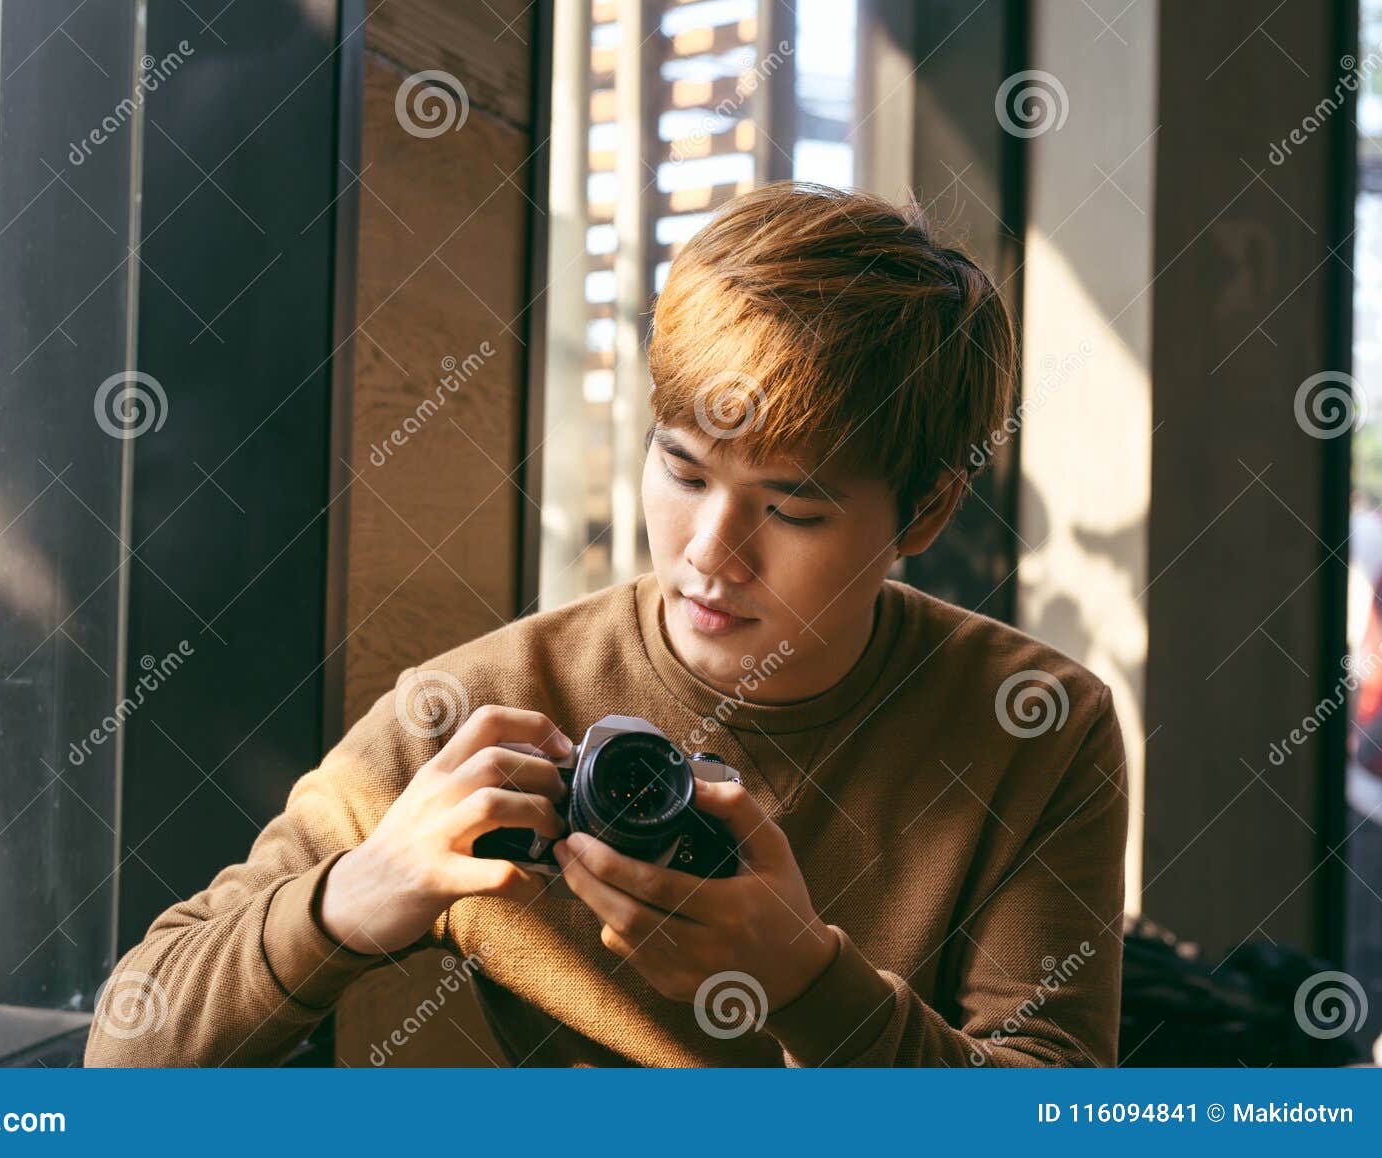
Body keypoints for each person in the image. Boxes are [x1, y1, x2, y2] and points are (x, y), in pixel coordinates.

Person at [83, 181, 1128, 1068]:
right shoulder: (483, 711)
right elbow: (127, 1048)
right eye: (680, 468)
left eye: (793, 508)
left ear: (927, 511)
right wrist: (353, 897)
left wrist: (807, 979)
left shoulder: (1034, 727)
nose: (709, 552)